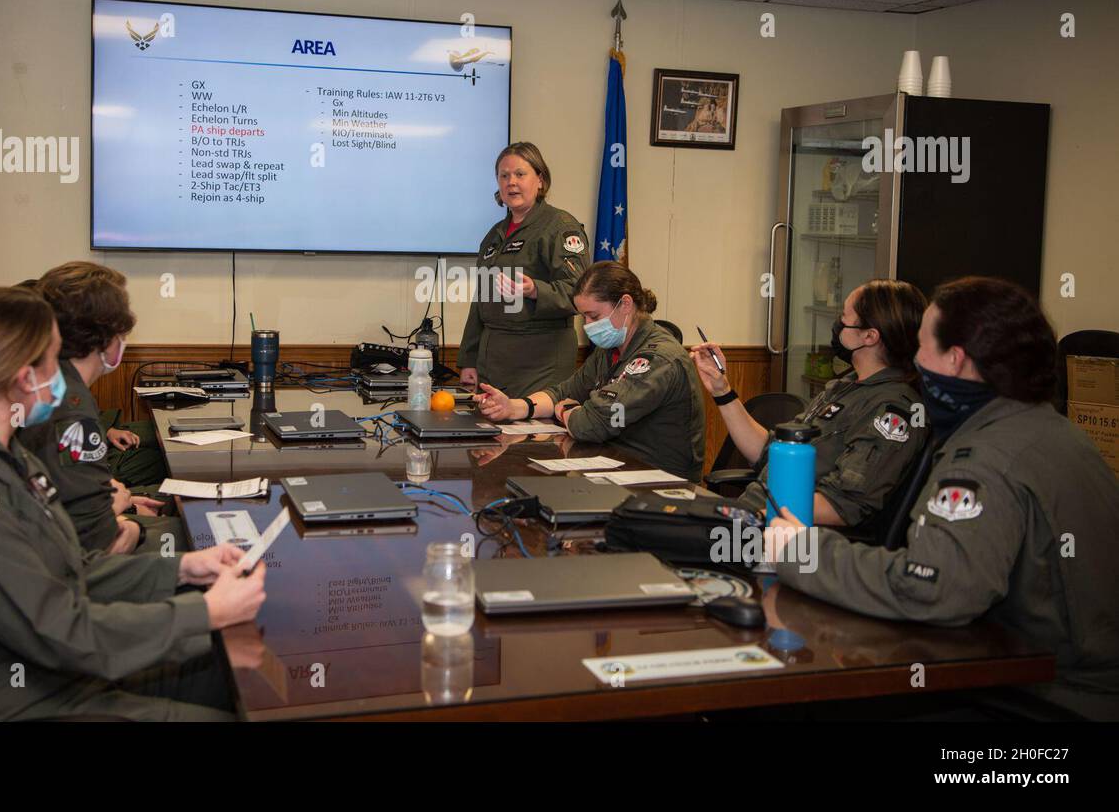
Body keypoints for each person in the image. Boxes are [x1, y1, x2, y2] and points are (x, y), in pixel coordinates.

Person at [0, 286, 267, 720]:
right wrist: (204, 612)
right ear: (23, 377)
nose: (63, 376)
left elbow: (73, 572)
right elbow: (56, 627)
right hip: (16, 701)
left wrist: (183, 568)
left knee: (236, 671)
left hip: (54, 676)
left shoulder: (7, 456)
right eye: (54, 360)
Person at [766, 276, 1119, 720]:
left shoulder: (985, 461)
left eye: (921, 345)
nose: (914, 359)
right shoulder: (1054, 431)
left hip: (1050, 697)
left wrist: (804, 552)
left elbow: (929, 587)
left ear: (955, 359)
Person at [693, 279, 929, 531]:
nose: (837, 324)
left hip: (783, 537)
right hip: (753, 518)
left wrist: (748, 518)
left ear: (869, 336)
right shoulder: (846, 385)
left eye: (844, 318)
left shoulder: (892, 409)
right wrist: (722, 390)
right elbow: (769, 452)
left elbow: (844, 505)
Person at [476, 262, 705, 480]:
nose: (587, 325)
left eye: (594, 316)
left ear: (625, 304)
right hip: (615, 465)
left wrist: (566, 410)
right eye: (583, 316)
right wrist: (513, 407)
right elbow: (567, 390)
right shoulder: (610, 348)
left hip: (659, 480)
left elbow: (592, 425)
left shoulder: (657, 359)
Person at [19, 261, 173, 554]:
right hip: (72, 561)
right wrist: (133, 524)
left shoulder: (50, 383)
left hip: (48, 535)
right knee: (194, 534)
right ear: (110, 338)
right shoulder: (72, 407)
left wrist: (122, 502)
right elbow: (97, 540)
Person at [458, 142, 591, 398]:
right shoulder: (494, 235)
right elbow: (481, 303)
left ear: (540, 180)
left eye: (520, 174)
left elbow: (580, 292)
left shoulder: (560, 227)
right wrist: (469, 359)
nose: (511, 182)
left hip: (539, 367)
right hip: (493, 367)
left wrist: (535, 290)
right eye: (504, 175)